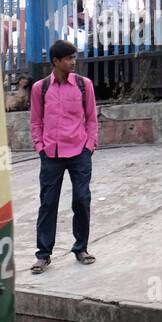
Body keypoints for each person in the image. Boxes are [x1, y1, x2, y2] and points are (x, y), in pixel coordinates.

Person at [29, 40, 98, 274]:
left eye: (74, 57)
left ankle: (81, 248)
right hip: (51, 154)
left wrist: (89, 145)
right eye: (68, 58)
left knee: (81, 199)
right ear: (56, 62)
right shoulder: (41, 88)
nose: (73, 62)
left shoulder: (83, 84)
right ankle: (43, 255)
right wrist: (39, 146)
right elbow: (36, 120)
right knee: (48, 203)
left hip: (80, 152)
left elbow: (91, 118)